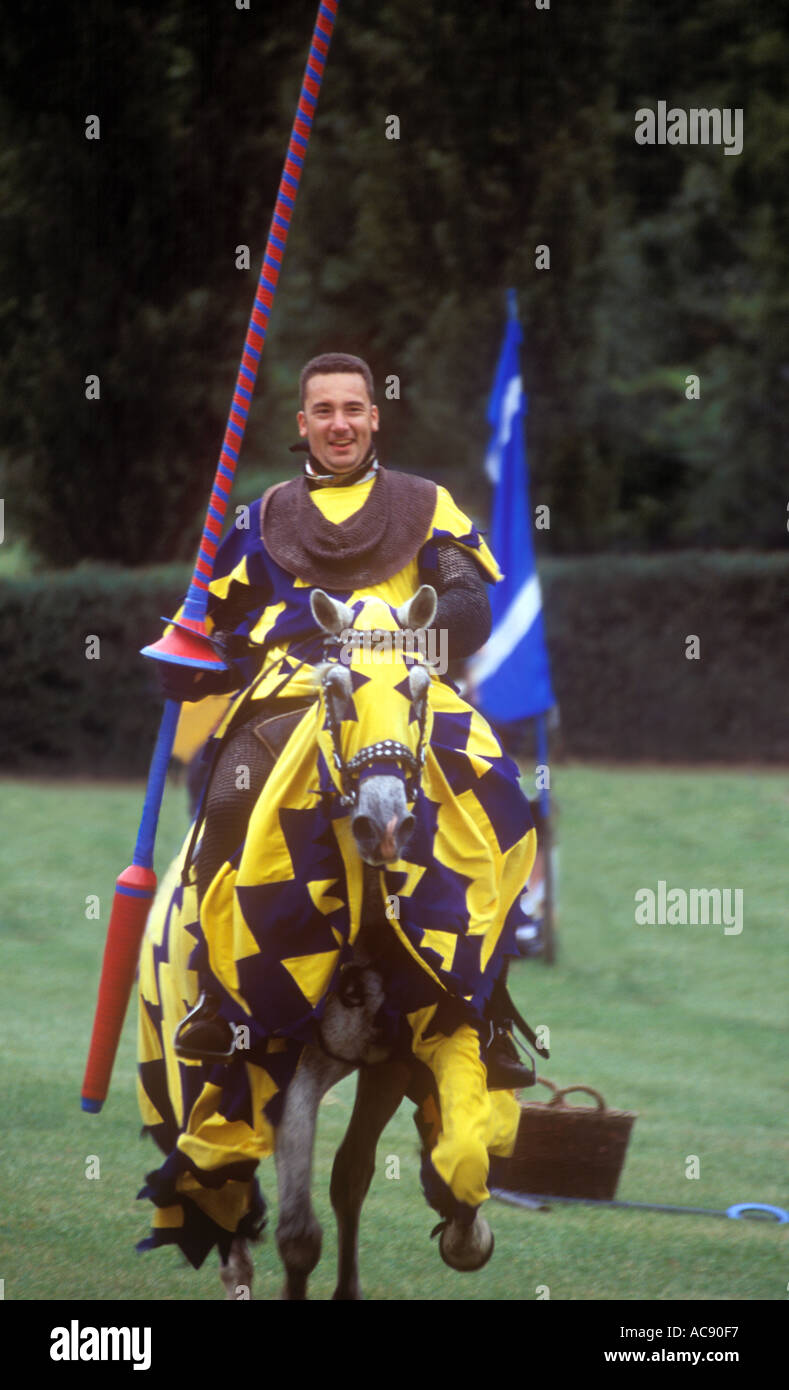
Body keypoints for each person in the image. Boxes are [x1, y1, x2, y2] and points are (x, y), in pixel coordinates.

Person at [157, 352, 536, 1096]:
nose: (340, 424)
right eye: (323, 411)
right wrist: (188, 658)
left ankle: (487, 1004)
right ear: (302, 424)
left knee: (500, 796)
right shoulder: (263, 516)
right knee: (228, 803)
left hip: (405, 690)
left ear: (375, 416)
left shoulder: (426, 503)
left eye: (352, 409)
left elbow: (469, 605)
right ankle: (216, 995)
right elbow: (222, 624)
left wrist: (403, 638)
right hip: (289, 696)